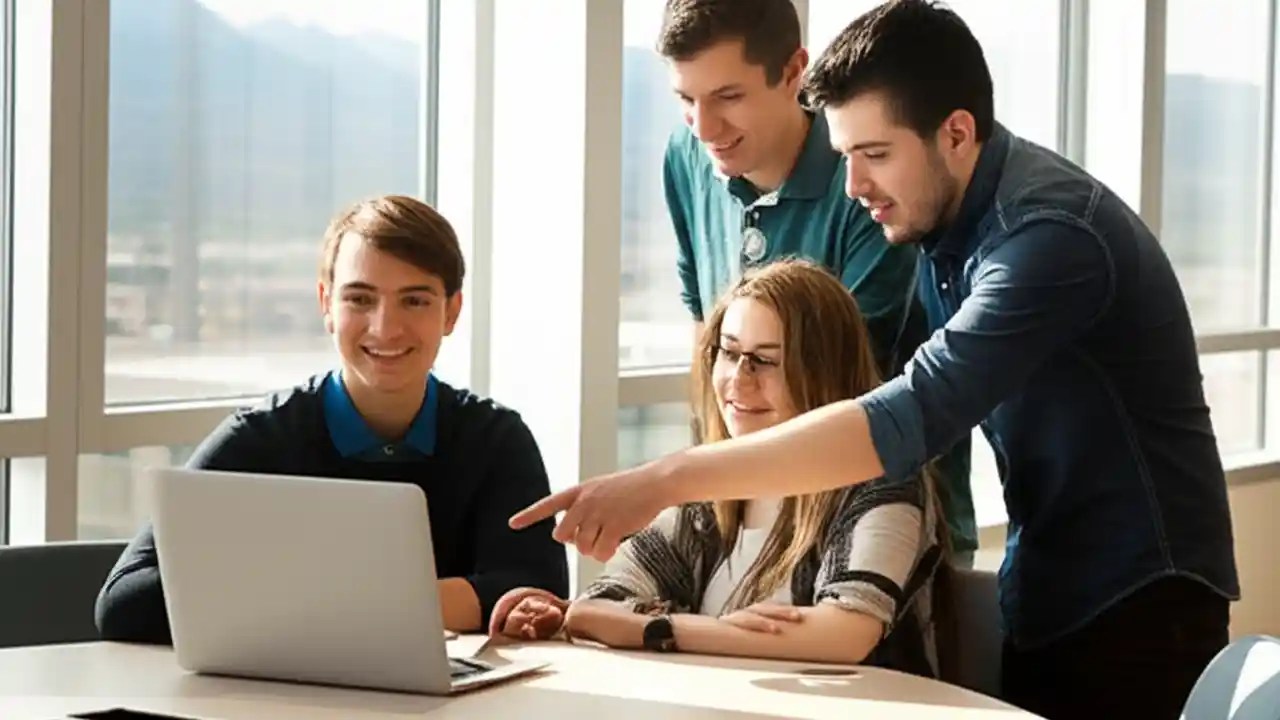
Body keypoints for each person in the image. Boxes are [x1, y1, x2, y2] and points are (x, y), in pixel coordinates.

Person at [511, 2, 1239, 718]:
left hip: (1139, 598)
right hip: (1047, 579)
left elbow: (909, 412)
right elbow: (878, 383)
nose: (855, 188)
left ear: (956, 133)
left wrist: (667, 479)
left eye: (875, 155)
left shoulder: (1049, 240)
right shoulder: (949, 221)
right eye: (846, 156)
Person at [96, 195, 568, 643]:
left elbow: (535, 590)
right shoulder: (260, 438)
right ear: (326, 303)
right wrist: (421, 603)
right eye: (360, 299)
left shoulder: (496, 438)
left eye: (415, 300)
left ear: (452, 311)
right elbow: (125, 600)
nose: (385, 327)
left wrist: (298, 605)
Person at [490, 259, 943, 673]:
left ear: (823, 371)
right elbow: (599, 606)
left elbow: (844, 633)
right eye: (728, 353)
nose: (738, 379)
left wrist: (661, 630)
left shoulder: (883, 480)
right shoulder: (710, 491)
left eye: (765, 360)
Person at [657, 0, 976, 558]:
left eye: (729, 97)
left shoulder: (865, 182)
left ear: (792, 72)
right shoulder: (686, 157)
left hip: (880, 522)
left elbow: (834, 378)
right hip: (745, 512)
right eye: (687, 100)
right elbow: (704, 336)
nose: (705, 128)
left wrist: (682, 477)